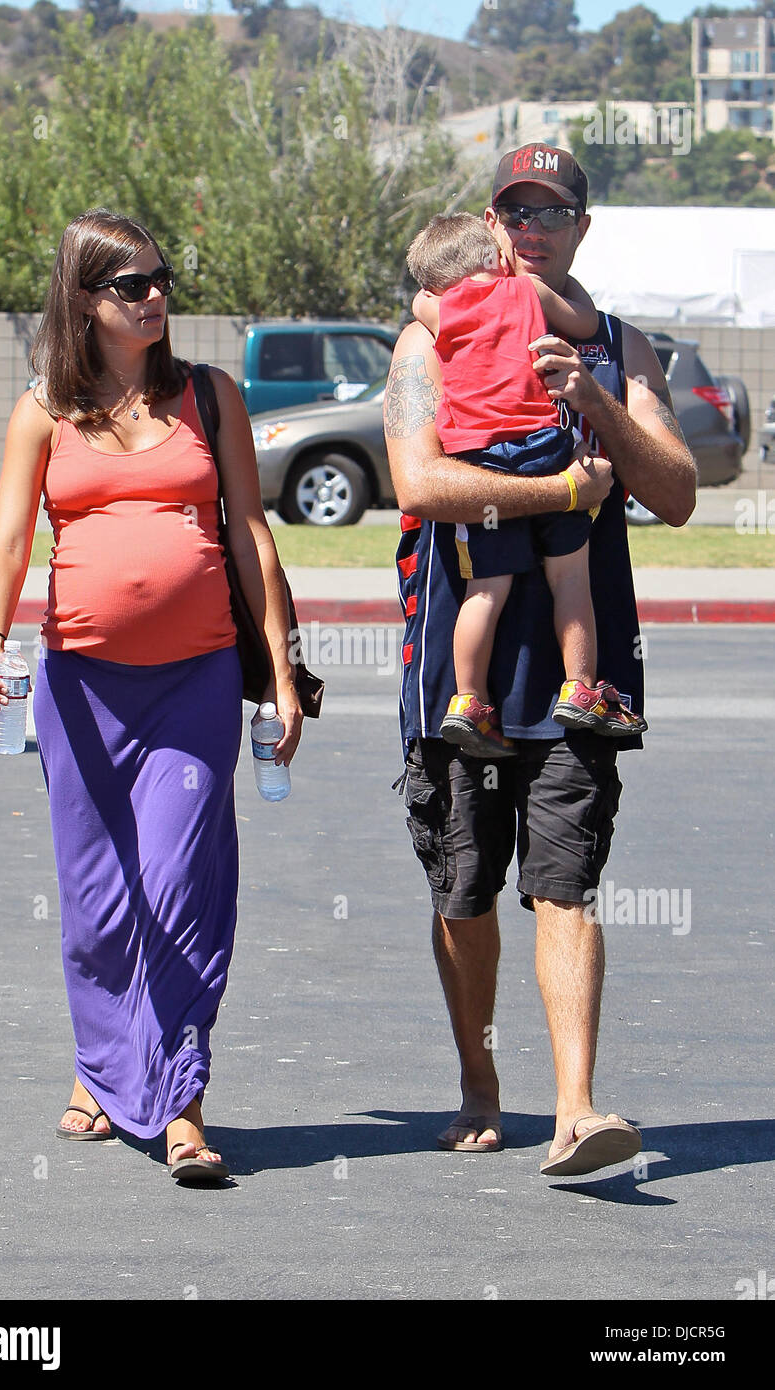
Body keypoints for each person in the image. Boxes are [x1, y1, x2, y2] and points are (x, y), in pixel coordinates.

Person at [0, 208, 302, 1184]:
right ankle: (101, 1070)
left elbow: (250, 536)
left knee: (180, 886)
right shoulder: (44, 411)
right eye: (130, 285)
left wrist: (281, 675)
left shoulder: (211, 396)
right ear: (83, 298)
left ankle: (183, 1106)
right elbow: (6, 541)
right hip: (79, 691)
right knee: (97, 901)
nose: (154, 297)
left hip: (194, 683)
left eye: (161, 280)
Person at [384, 145, 696, 1177]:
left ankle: (575, 1108)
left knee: (562, 883)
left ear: (580, 227)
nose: (530, 228)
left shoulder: (613, 346)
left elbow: (676, 490)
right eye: (513, 210)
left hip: (579, 676)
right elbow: (422, 486)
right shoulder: (427, 336)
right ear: (489, 219)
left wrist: (594, 404)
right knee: (463, 890)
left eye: (550, 211)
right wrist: (562, 493)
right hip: (462, 675)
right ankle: (480, 1084)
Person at [406, 212, 646, 758]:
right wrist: (547, 284)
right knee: (571, 579)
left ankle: (468, 701)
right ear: (494, 253)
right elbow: (583, 321)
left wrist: (439, 290)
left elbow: (421, 302)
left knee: (485, 590)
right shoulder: (526, 291)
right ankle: (580, 687)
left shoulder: (439, 309)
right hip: (542, 446)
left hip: (480, 460)